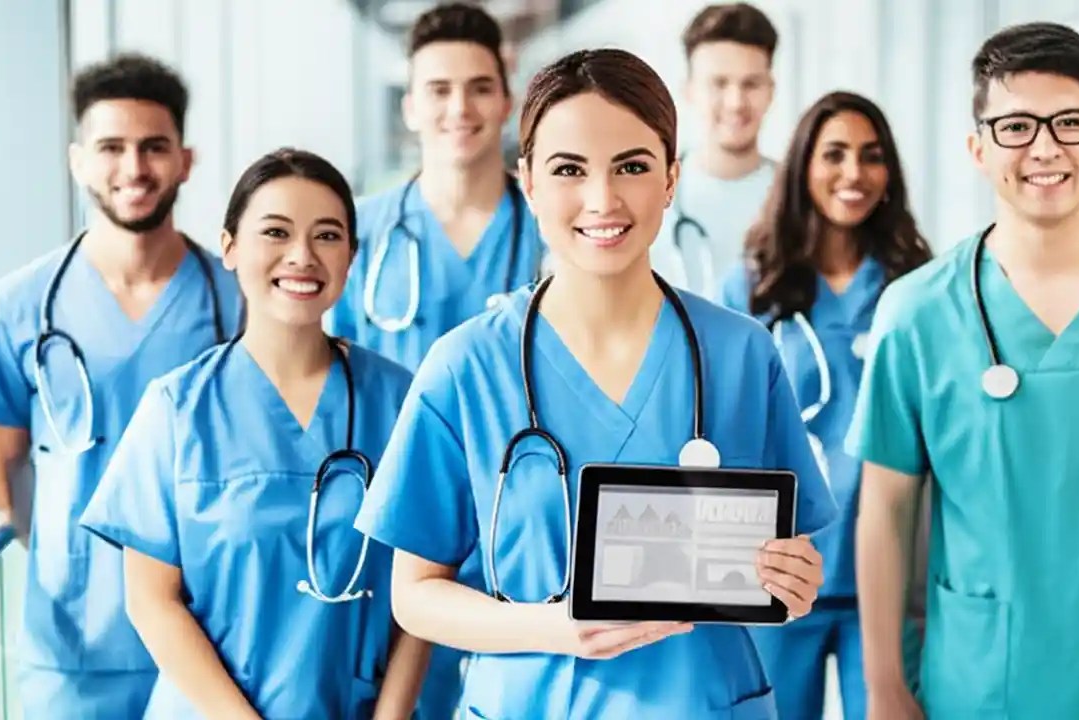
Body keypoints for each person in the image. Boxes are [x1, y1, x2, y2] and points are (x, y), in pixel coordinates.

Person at [353, 47, 836, 719]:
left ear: (671, 179)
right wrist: (553, 629)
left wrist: (797, 583)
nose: (602, 199)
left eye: (632, 167)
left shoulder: (742, 357)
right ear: (528, 181)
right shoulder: (466, 367)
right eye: (569, 170)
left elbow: (790, 561)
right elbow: (414, 595)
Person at [848, 22, 1079, 719]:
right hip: (978, 683)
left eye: (1069, 122)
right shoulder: (914, 313)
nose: (1044, 147)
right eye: (1015, 127)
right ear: (978, 148)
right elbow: (885, 509)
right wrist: (884, 685)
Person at [79, 148, 427, 719]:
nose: (302, 256)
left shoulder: (400, 403)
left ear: (351, 256)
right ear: (231, 247)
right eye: (275, 232)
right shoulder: (177, 408)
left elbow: (419, 594)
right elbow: (152, 601)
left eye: (327, 235)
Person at [0, 53, 242, 718]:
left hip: (210, 636)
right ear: (78, 160)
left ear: (186, 160)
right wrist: (75, 560)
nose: (134, 168)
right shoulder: (20, 306)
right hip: (73, 647)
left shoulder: (237, 300)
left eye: (153, 147)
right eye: (112, 147)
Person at [719, 91, 932, 720]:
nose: (853, 174)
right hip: (783, 571)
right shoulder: (752, 283)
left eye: (871, 157)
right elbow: (723, 427)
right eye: (833, 154)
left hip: (888, 580)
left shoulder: (914, 286)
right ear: (801, 167)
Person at [329, 2, 545, 373]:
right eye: (439, 90)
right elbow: (337, 374)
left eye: (480, 88)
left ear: (506, 103)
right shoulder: (359, 230)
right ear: (410, 108)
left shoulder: (547, 226)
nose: (460, 108)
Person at [651, 2, 780, 299]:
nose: (736, 102)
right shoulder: (652, 194)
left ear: (770, 91)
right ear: (689, 90)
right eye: (719, 83)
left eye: (751, 84)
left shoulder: (799, 197)